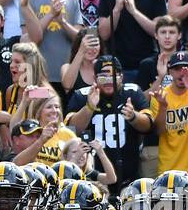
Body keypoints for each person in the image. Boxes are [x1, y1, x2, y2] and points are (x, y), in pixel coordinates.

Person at [66, 55, 154, 191]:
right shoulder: (82, 95)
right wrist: (88, 107)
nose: (108, 81)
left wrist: (133, 116)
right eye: (103, 77)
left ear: (122, 76)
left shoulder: (132, 93)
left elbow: (148, 125)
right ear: (94, 79)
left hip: (129, 176)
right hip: (94, 180)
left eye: (113, 76)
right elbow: (71, 130)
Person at [96, 0, 168, 84]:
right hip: (118, 65)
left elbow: (158, 32)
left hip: (147, 63)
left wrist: (134, 12)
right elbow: (104, 34)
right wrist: (117, 9)